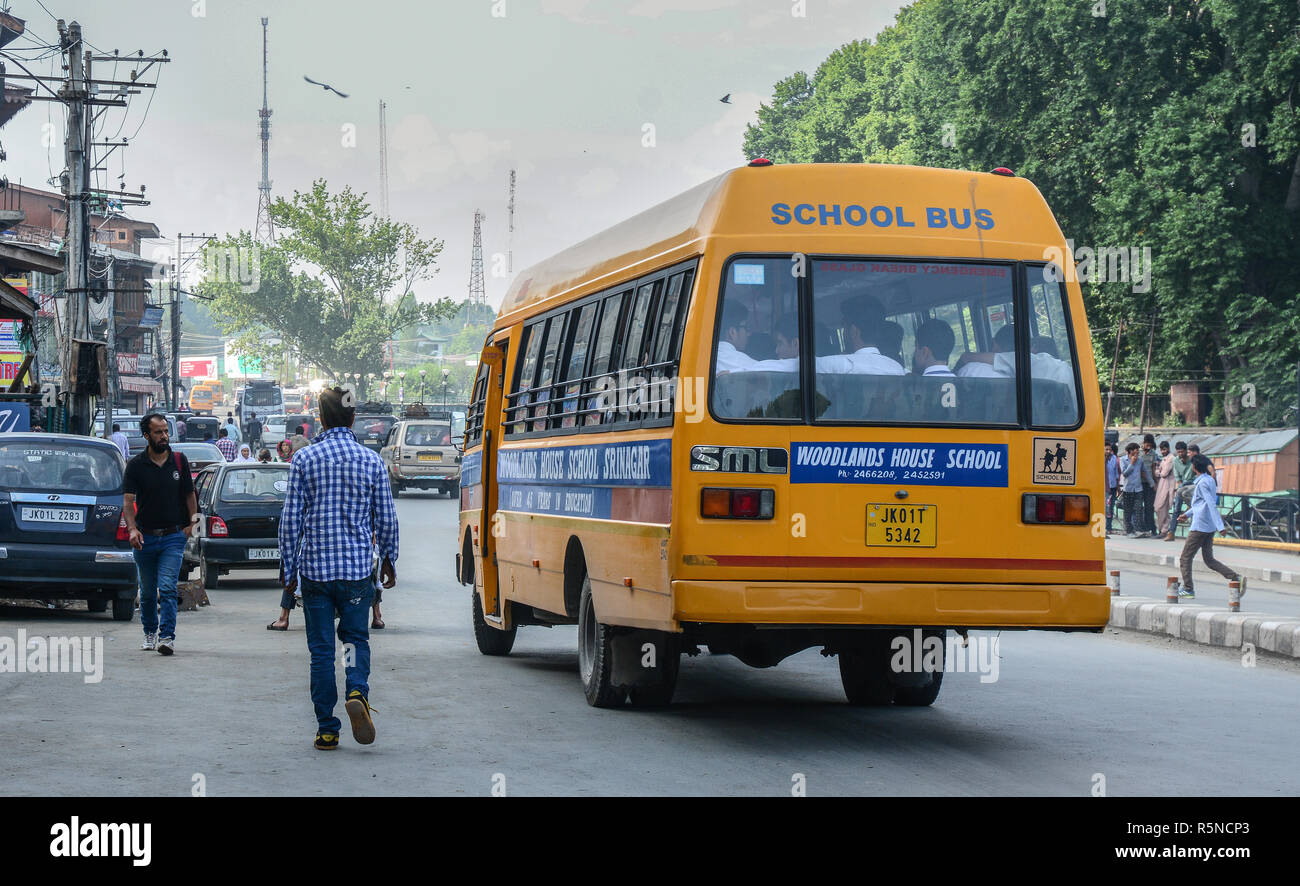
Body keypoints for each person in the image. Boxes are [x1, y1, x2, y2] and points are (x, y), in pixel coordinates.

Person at [278, 386, 398, 751]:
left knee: (320, 650)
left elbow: (290, 521)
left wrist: (289, 567)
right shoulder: (371, 460)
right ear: (352, 418)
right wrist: (390, 558)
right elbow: (387, 517)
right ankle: (357, 690)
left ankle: (327, 728)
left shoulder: (304, 459)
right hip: (357, 574)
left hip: (316, 572)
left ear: (321, 418)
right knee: (354, 639)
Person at [122, 414, 196, 655]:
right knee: (146, 590)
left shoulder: (178, 460)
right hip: (145, 538)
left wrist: (192, 524)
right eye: (158, 432)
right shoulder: (135, 465)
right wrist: (132, 529)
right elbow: (128, 501)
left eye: (165, 431)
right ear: (146, 436)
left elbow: (189, 494)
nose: (164, 436)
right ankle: (150, 632)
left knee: (167, 587)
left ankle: (166, 637)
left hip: (173, 537)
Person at [1175, 454, 1243, 601]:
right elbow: (1201, 504)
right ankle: (1235, 577)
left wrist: (1220, 526)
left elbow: (1211, 504)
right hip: (1208, 526)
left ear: (1194, 467)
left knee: (1185, 558)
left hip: (1200, 526)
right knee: (1209, 559)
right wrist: (1187, 514)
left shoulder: (1202, 483)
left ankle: (1188, 588)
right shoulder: (1209, 481)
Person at [815, 298, 906, 375]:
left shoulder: (840, 364)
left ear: (854, 331)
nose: (844, 334)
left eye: (845, 327)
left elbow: (802, 366)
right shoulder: (897, 368)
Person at [1119, 442, 1153, 537]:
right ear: (1130, 451)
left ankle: (1138, 530)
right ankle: (1129, 531)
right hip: (1128, 489)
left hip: (1138, 489)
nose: (1138, 451)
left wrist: (1152, 484)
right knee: (1128, 511)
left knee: (1138, 509)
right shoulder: (1123, 460)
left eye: (1138, 450)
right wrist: (1132, 463)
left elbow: (1145, 472)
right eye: (1136, 449)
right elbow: (1125, 474)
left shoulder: (1140, 460)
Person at [1167, 441, 1195, 537]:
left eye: (1182, 452)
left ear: (1186, 451)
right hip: (1182, 486)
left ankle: (1192, 533)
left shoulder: (1192, 460)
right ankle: (1171, 532)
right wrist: (1181, 486)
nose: (1180, 454)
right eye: (1178, 452)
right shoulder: (1176, 460)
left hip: (1192, 485)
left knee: (1195, 509)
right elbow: (1177, 477)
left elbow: (1194, 475)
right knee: (1176, 509)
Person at [1153, 440, 1177, 538]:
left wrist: (1158, 471)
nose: (1163, 451)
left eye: (1164, 449)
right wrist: (1159, 471)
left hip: (1168, 486)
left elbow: (1163, 473)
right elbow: (1158, 472)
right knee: (1158, 508)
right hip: (1161, 486)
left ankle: (1164, 530)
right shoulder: (1164, 459)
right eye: (1161, 450)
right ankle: (1163, 530)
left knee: (1162, 508)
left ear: (1168, 448)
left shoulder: (1171, 458)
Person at [1139, 434, 1159, 536]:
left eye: (1150, 445)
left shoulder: (1154, 454)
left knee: (1149, 507)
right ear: (1144, 443)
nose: (1148, 447)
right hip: (1139, 483)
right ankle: (1141, 529)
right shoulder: (1138, 453)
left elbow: (1153, 468)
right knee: (1138, 507)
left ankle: (1152, 529)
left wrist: (1155, 483)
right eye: (1147, 444)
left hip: (1149, 484)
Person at [1104, 443, 1121, 536]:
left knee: (1110, 506)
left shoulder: (1114, 458)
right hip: (1104, 486)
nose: (1108, 451)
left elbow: (1116, 473)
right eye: (1106, 449)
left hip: (1113, 486)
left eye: (1109, 450)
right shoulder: (1100, 459)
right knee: (1105, 507)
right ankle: (1103, 527)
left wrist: (1118, 486)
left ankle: (1108, 527)